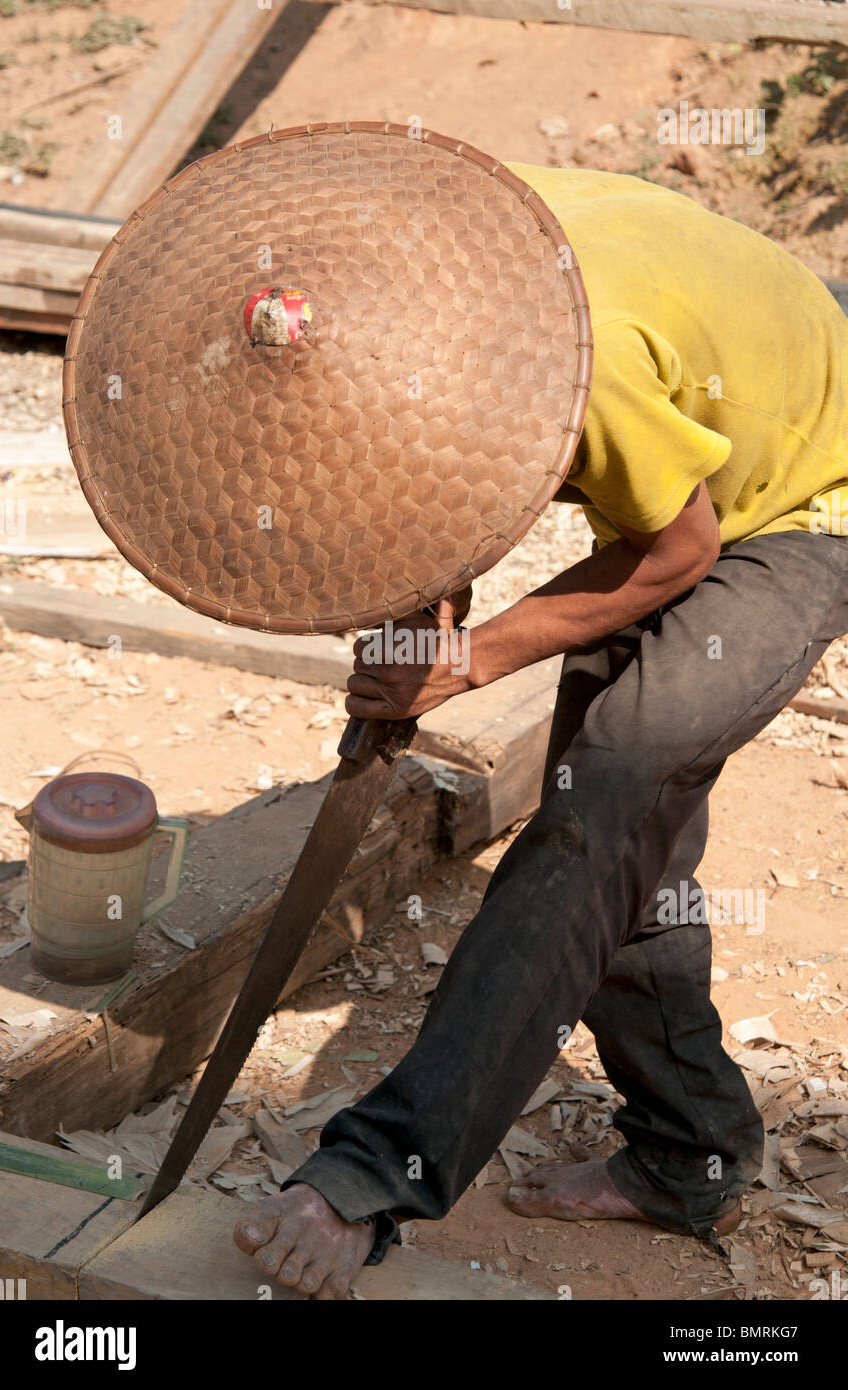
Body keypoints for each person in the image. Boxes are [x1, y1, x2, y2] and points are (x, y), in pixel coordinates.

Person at [233, 166, 848, 1300]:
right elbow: (437, 480)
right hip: (698, 448)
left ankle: (373, 1172)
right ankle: (687, 1151)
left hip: (805, 490)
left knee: (605, 792)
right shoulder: (444, 259)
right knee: (622, 839)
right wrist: (426, 607)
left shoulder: (584, 347)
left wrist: (469, 658)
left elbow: (679, 551)